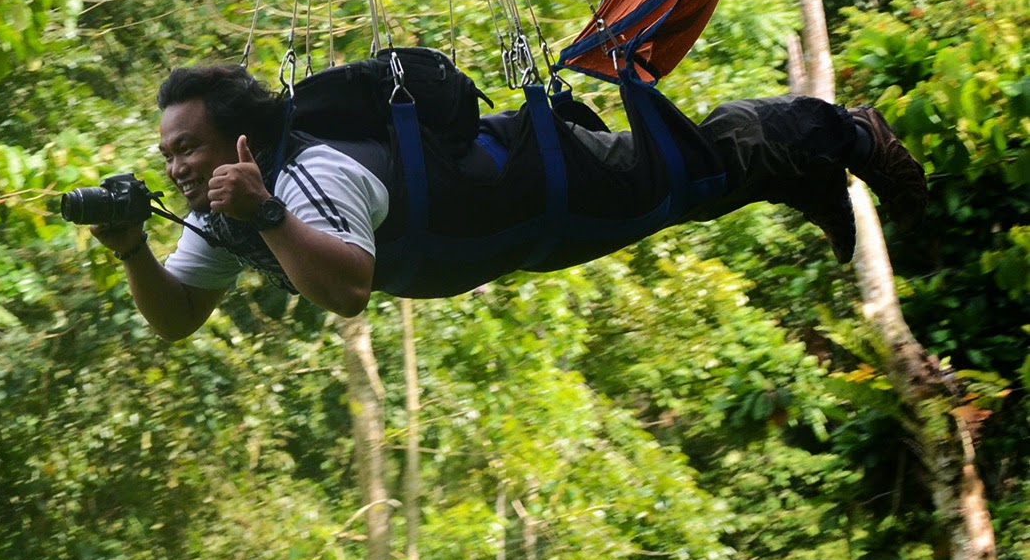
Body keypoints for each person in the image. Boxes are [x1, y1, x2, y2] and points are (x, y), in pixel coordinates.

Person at [90, 64, 926, 341]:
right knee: (687, 198)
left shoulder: (309, 178)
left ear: (239, 139)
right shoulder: (219, 210)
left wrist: (269, 214)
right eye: (167, 154)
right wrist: (133, 249)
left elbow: (346, 290)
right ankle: (805, 178)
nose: (176, 168)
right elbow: (178, 318)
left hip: (534, 185)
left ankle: (849, 134)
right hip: (510, 232)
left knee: (690, 171)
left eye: (188, 148)